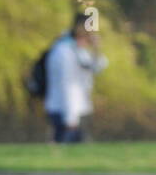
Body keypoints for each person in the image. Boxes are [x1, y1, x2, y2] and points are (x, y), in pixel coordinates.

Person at [43, 14, 108, 143]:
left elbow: (98, 66)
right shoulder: (63, 51)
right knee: (64, 152)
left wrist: (96, 49)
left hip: (78, 109)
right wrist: (70, 118)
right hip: (64, 111)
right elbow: (66, 85)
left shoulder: (78, 50)